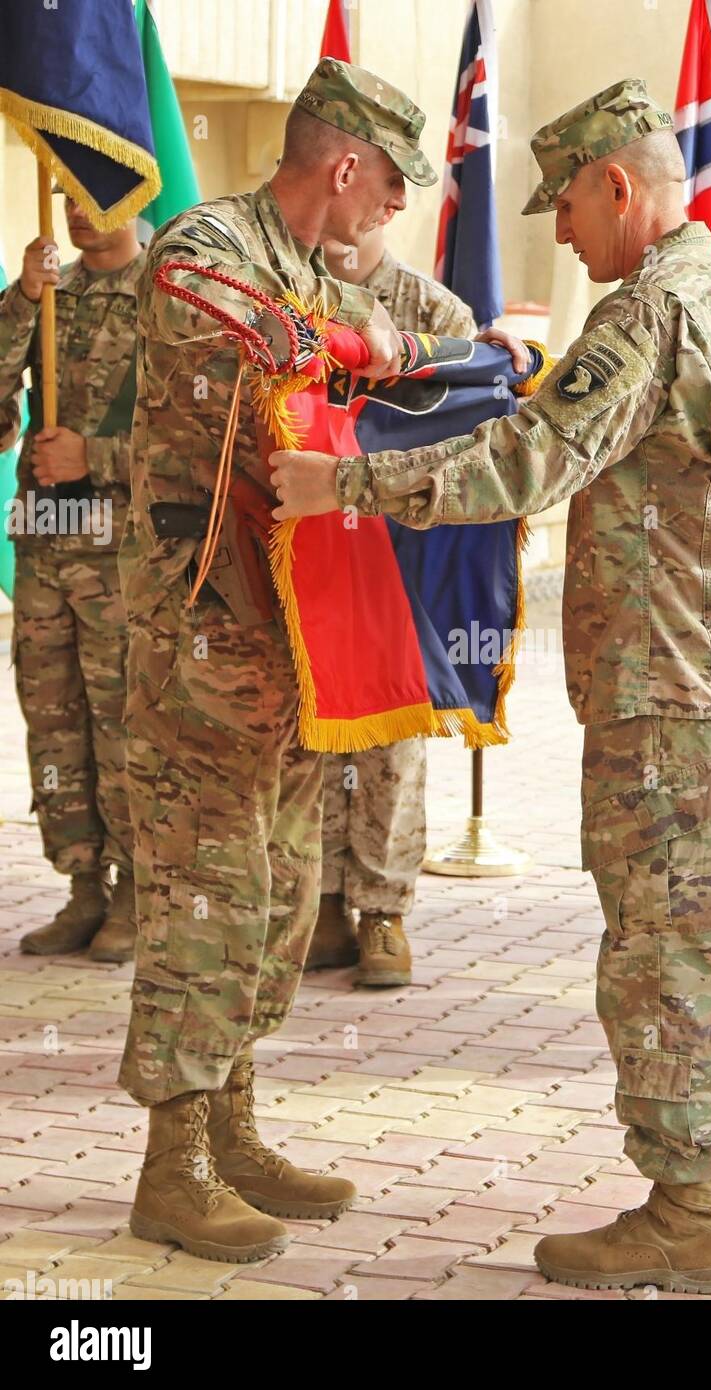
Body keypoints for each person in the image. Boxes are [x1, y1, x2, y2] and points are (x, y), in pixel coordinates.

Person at [272, 79, 711, 1294]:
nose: (560, 234)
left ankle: (684, 1211)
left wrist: (342, 486)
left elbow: (523, 460)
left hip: (670, 685)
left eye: (566, 204)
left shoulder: (647, 314)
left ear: (616, 186)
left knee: (664, 945)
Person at [118, 58, 427, 1264]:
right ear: (344, 165)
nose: (396, 208)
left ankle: (233, 1124)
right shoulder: (207, 245)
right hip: (202, 636)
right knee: (208, 894)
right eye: (392, 182)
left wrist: (388, 337)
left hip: (295, 641)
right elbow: (247, 326)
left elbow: (436, 334)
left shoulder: (319, 264)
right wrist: (365, 338)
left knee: (285, 889)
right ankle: (172, 1161)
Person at [308, 221, 478, 987]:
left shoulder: (436, 313)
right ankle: (319, 902)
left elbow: (467, 436)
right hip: (306, 547)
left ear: (388, 200)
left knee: (391, 735)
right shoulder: (289, 301)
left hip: (397, 553)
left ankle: (383, 909)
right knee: (310, 730)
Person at [0, 195, 141, 963]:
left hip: (120, 554)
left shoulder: (166, 297)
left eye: (97, 197)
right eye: (68, 199)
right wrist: (22, 300)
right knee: (52, 717)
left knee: (123, 719)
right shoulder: (50, 297)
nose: (78, 215)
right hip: (46, 545)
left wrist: (98, 458)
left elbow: (196, 436)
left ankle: (135, 892)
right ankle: (82, 883)